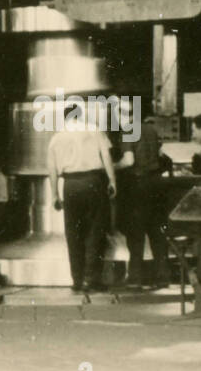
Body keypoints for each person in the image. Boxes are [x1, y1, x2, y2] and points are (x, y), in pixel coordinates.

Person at [48, 102, 116, 293]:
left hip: (70, 185)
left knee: (73, 233)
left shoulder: (56, 138)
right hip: (93, 181)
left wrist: (54, 194)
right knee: (96, 230)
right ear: (81, 115)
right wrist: (112, 181)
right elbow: (106, 157)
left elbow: (52, 169)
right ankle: (91, 279)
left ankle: (77, 280)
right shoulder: (94, 131)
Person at [112, 103, 172, 289]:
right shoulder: (150, 129)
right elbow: (161, 155)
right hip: (156, 185)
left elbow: (129, 161)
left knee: (136, 233)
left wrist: (110, 168)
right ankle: (163, 276)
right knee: (156, 232)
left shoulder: (129, 130)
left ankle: (135, 278)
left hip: (138, 187)